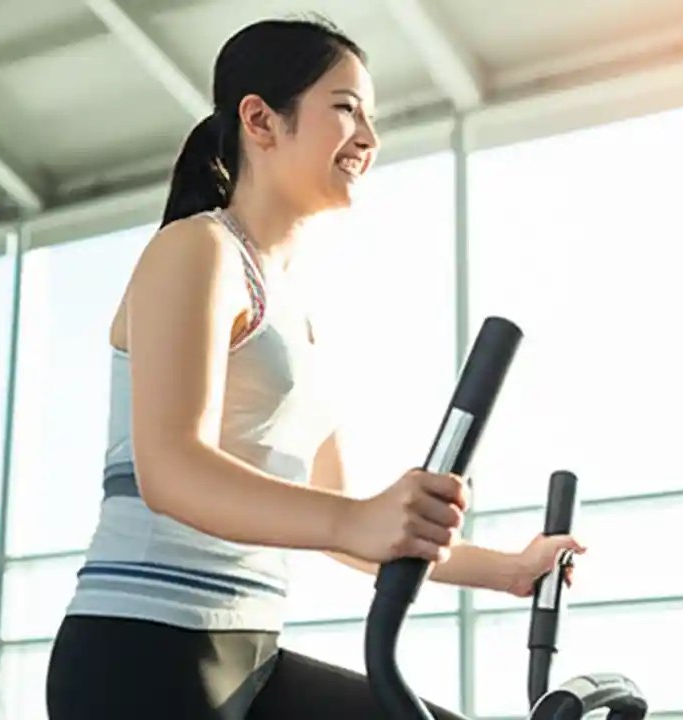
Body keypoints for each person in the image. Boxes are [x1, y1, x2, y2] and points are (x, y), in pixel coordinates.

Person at [44, 16, 583, 720]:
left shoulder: (297, 317)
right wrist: (355, 519)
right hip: (140, 656)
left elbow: (357, 534)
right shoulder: (196, 250)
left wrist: (511, 570)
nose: (368, 137)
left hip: (249, 656)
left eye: (371, 117)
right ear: (261, 121)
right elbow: (171, 470)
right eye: (345, 108)